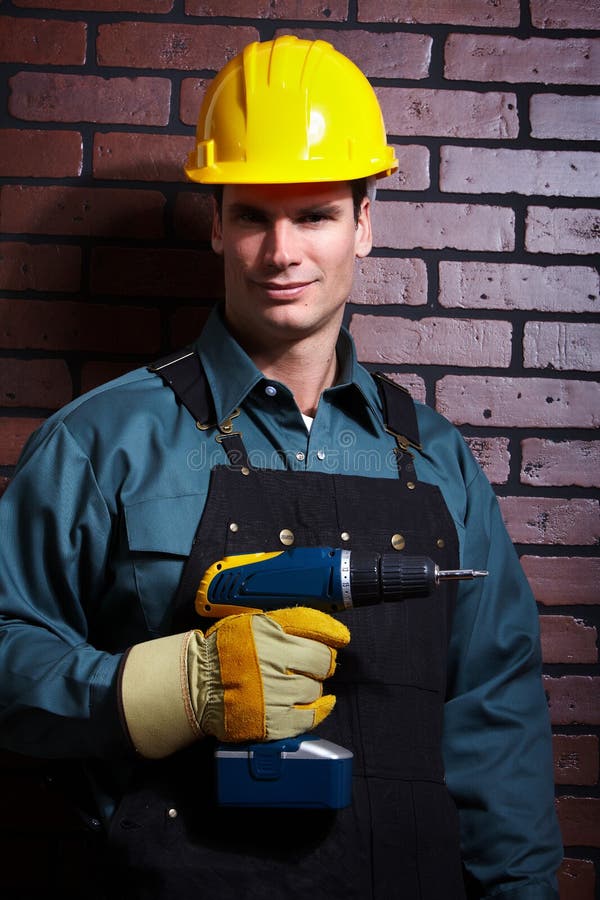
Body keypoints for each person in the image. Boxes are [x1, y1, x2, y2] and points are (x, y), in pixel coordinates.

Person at [0, 35, 563, 900]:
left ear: (364, 224)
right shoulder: (101, 442)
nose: (283, 252)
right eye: (256, 215)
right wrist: (172, 689)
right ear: (217, 224)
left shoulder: (440, 462)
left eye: (315, 215)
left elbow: (496, 721)